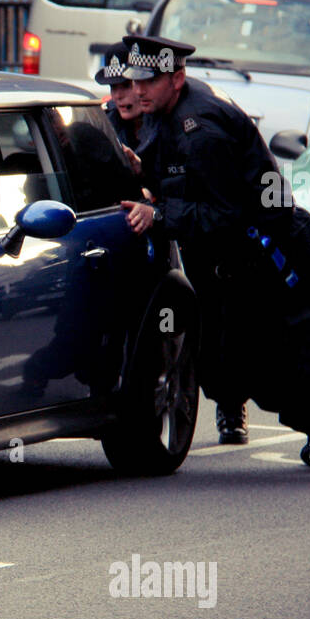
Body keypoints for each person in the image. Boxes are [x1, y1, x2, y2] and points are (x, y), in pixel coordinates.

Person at [117, 34, 310, 478]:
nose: (139, 90)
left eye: (149, 80)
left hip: (273, 263)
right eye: (135, 80)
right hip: (239, 270)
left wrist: (159, 212)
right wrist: (142, 172)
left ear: (177, 78)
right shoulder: (166, 113)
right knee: (243, 371)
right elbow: (183, 178)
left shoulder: (202, 128)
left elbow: (226, 212)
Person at [98, 39, 249, 443]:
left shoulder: (182, 120)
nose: (126, 95)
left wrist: (156, 200)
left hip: (198, 234)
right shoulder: (105, 121)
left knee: (220, 327)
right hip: (152, 236)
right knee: (173, 329)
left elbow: (212, 199)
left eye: (131, 84)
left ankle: (231, 405)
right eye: (116, 88)